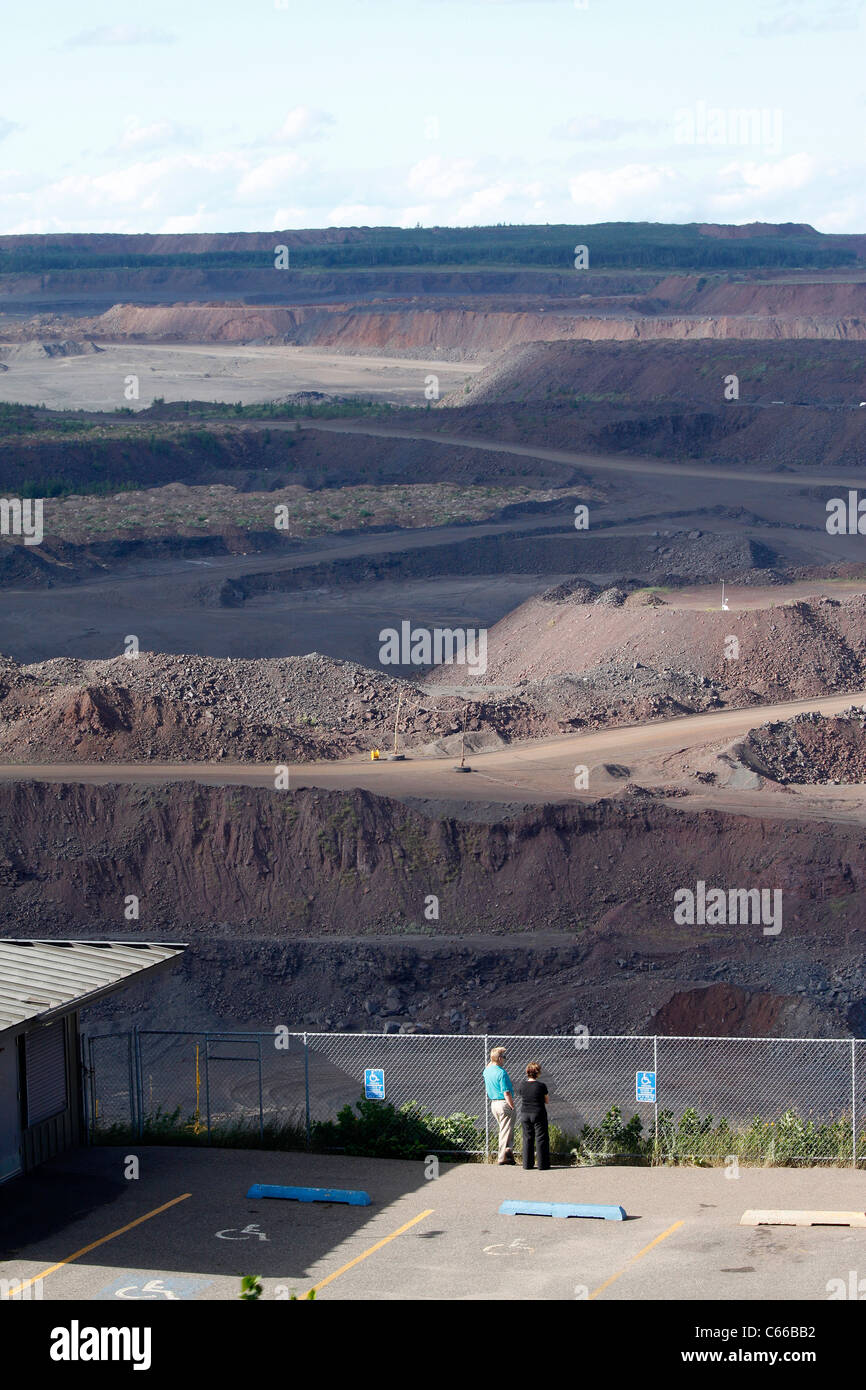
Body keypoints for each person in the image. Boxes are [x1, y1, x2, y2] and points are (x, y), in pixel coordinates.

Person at [483, 1045, 515, 1165]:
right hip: (503, 1103)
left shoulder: (487, 1071)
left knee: (506, 1130)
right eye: (504, 1057)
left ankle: (508, 1153)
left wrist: (492, 1059)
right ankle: (502, 1157)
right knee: (505, 1131)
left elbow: (489, 1065)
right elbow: (506, 1092)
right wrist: (512, 1105)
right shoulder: (502, 1073)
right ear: (500, 1058)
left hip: (494, 1104)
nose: (505, 1059)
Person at [518, 1060, 550, 1171]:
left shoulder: (522, 1085)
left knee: (527, 1138)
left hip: (525, 1113)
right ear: (538, 1073)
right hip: (538, 1113)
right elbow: (546, 1100)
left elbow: (522, 1095)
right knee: (541, 1138)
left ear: (527, 1072)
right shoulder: (541, 1086)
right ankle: (543, 1165)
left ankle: (527, 1164)